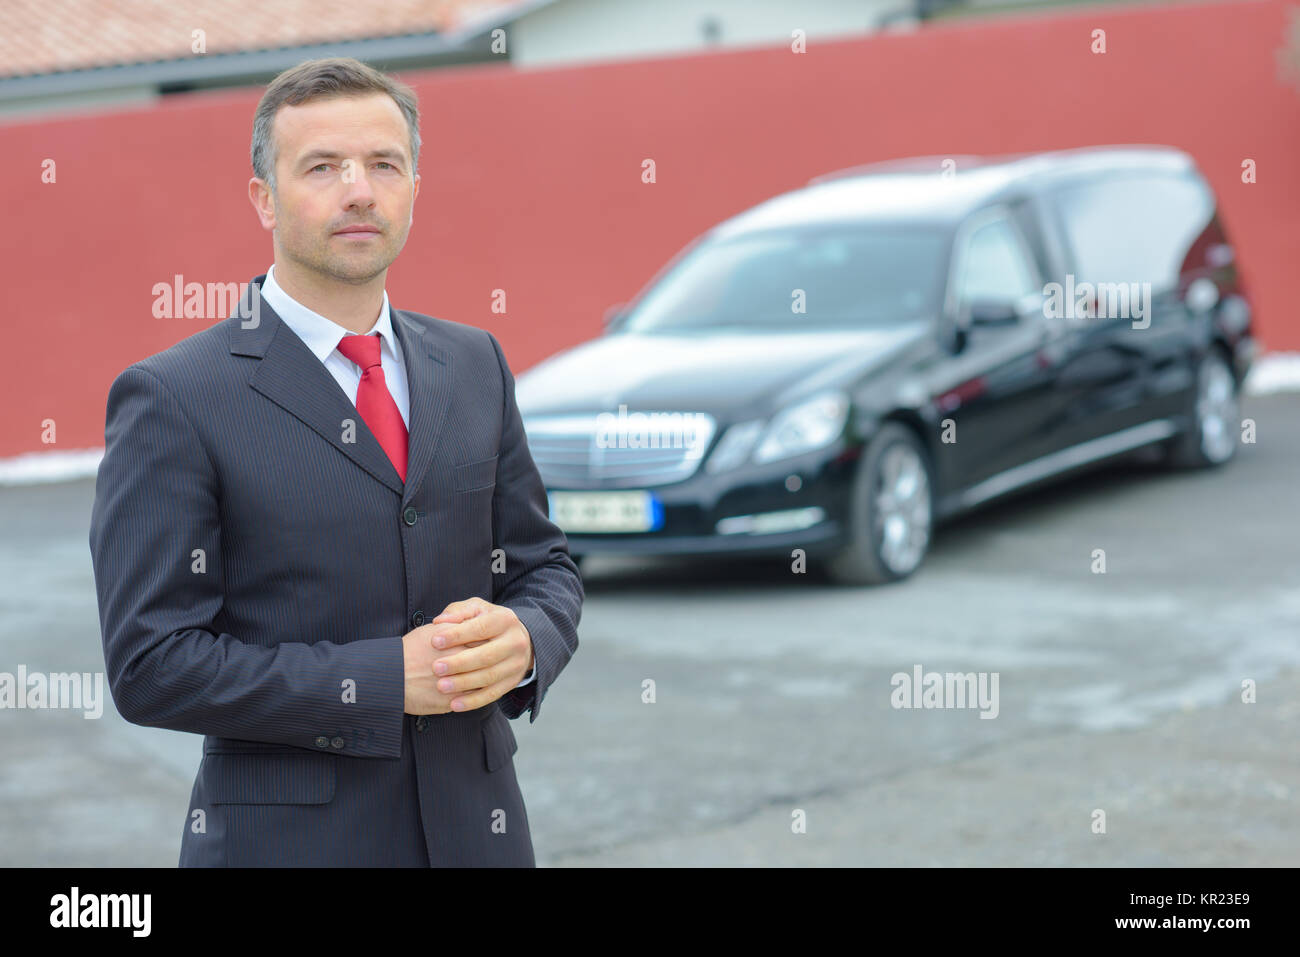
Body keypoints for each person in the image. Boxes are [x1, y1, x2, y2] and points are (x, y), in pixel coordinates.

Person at [87, 56, 583, 867]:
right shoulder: (172, 396)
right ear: (264, 197)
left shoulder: (475, 362)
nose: (359, 190)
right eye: (322, 167)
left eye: (384, 165)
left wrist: (526, 637)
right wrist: (384, 680)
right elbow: (151, 665)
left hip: (480, 835)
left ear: (415, 187)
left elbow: (545, 566)